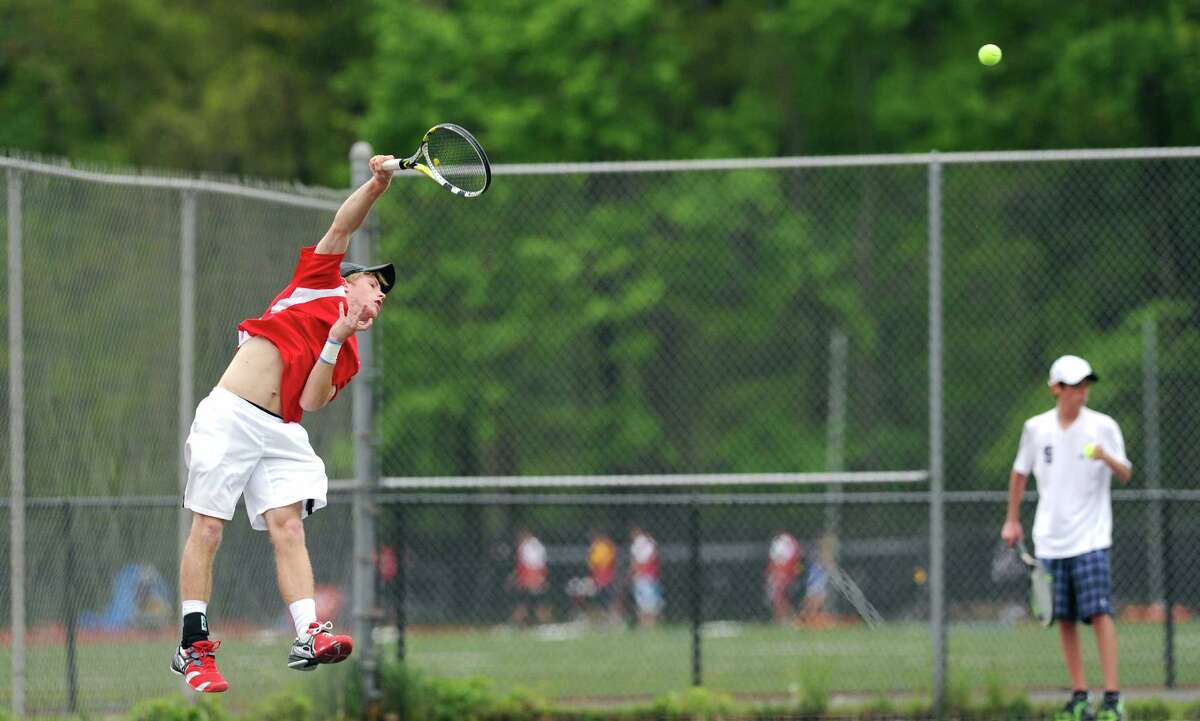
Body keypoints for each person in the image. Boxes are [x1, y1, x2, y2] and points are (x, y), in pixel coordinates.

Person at [170, 155, 398, 693]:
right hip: (231, 415)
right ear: (351, 280)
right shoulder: (317, 281)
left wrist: (337, 337)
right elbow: (344, 224)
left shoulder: (350, 350)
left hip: (282, 430)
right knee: (207, 528)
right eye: (375, 284)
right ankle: (191, 645)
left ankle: (306, 633)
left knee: (289, 526)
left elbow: (315, 400)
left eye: (385, 294)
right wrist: (378, 184)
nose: (381, 295)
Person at [1001, 355, 1132, 721]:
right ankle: (1079, 697)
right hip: (1050, 540)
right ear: (1056, 389)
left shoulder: (1103, 427)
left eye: (1085, 385)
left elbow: (1125, 472)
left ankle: (1112, 699)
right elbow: (1019, 473)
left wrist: (1104, 456)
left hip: (1091, 538)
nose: (1081, 393)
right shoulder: (1036, 428)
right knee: (1065, 618)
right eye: (1073, 386)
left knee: (1100, 612)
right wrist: (1012, 520)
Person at [510, 528, 551, 626]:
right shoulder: (539, 546)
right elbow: (542, 565)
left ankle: (519, 624)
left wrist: (517, 578)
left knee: (523, 603)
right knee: (539, 603)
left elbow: (523, 565)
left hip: (527, 578)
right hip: (537, 578)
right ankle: (543, 624)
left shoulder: (525, 546)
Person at [629, 526, 663, 628]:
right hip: (646, 576)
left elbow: (644, 559)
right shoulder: (647, 542)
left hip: (646, 576)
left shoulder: (643, 542)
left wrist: (637, 571)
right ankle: (647, 625)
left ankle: (648, 624)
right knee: (647, 602)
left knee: (647, 602)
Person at [765, 531, 802, 624]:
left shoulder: (787, 541)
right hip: (780, 573)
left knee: (778, 597)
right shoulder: (785, 542)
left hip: (783, 573)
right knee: (777, 598)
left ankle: (787, 618)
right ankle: (784, 618)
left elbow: (790, 559)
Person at [587, 528, 620, 623]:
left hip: (605, 578)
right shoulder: (600, 546)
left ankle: (611, 620)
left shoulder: (604, 546)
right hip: (601, 578)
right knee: (604, 601)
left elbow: (597, 564)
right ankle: (605, 620)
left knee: (607, 600)